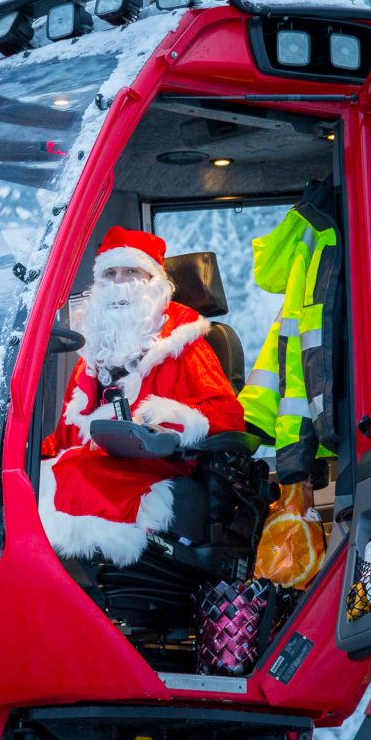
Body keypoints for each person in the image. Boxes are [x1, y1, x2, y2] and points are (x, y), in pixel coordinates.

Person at [39, 226, 245, 566]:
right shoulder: (93, 359)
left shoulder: (183, 341)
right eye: (110, 273)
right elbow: (65, 438)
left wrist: (162, 423)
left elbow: (227, 415)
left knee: (71, 476)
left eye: (131, 272)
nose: (119, 283)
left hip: (156, 466)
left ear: (153, 280)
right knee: (30, 480)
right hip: (95, 462)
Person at [239, 177, 341, 527]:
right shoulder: (316, 232)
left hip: (319, 426)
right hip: (328, 424)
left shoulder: (312, 232)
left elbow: (270, 272)